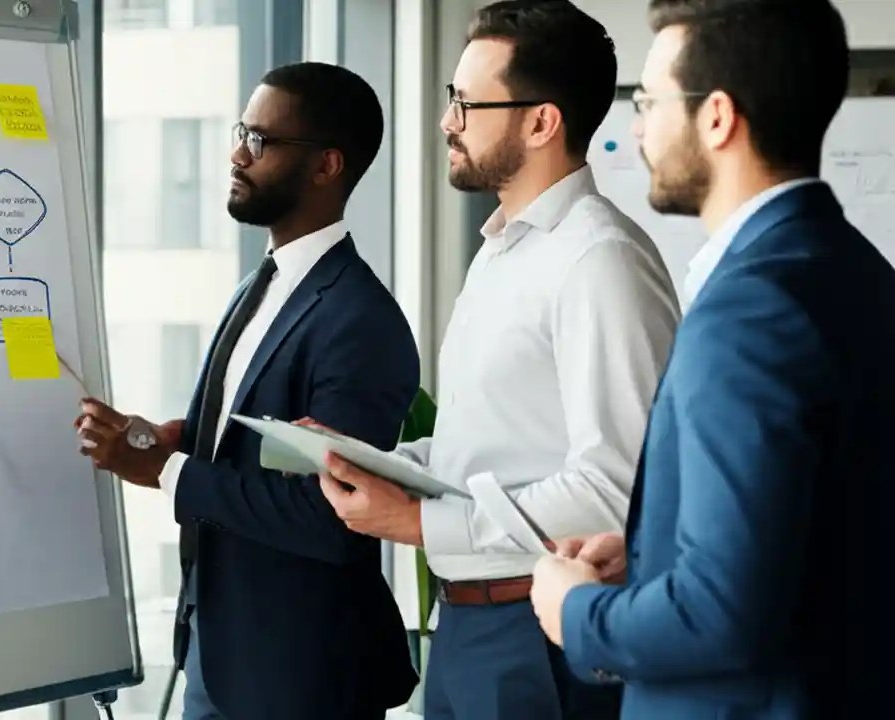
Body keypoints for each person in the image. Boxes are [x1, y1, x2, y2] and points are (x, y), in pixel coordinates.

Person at [312, 3, 681, 719]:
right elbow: (499, 446)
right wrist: (377, 460)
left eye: (466, 103)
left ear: (541, 122)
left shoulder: (598, 260)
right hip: (468, 629)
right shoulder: (504, 250)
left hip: (537, 636)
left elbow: (619, 488)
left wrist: (422, 525)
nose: (449, 121)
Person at [531, 1, 892, 717]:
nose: (635, 128)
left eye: (651, 101)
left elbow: (721, 616)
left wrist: (576, 614)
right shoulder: (857, 271)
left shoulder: (749, 310)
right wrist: (650, 556)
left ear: (718, 117)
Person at [75, 61, 419, 720]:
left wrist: (165, 470)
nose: (236, 154)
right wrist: (173, 438)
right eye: (242, 131)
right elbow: (255, 444)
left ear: (327, 166)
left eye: (260, 141)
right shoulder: (260, 286)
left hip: (297, 678)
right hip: (221, 650)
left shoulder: (360, 320)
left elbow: (331, 515)